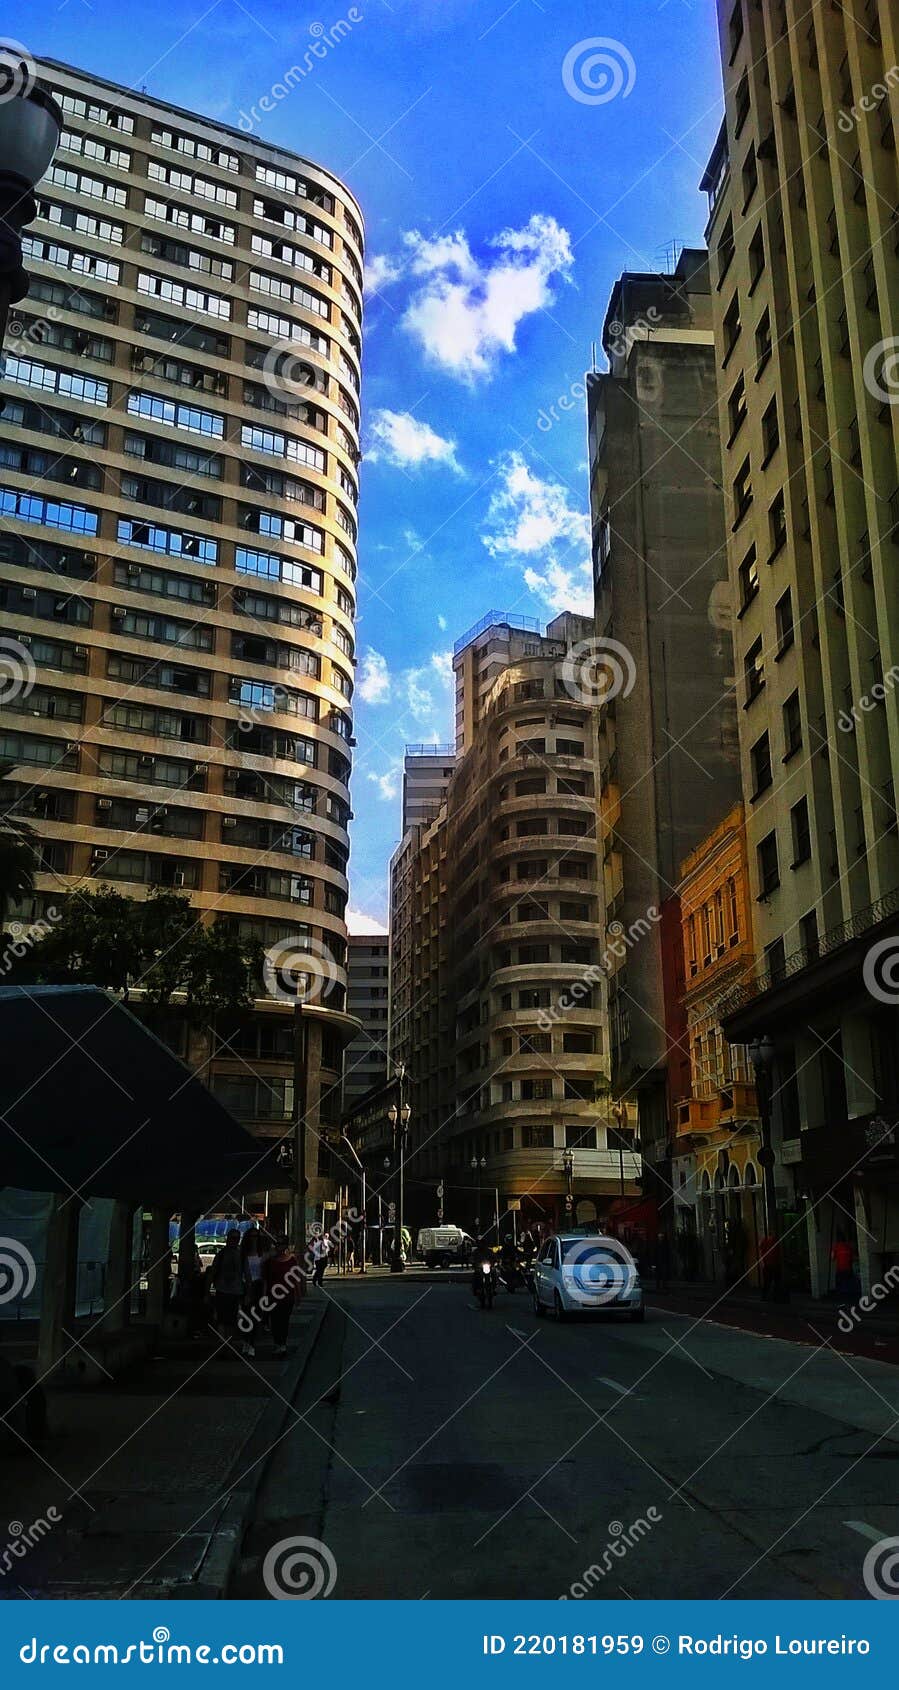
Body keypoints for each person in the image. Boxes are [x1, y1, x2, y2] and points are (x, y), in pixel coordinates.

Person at [263, 1235, 304, 1355]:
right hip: (273, 1296)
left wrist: (298, 1296)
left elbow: (295, 1279)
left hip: (287, 1297)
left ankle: (282, 1344)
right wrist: (264, 1296)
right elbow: (266, 1280)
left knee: (284, 1321)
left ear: (285, 1246)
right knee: (274, 1321)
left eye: (281, 1244)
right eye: (277, 1244)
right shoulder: (270, 1262)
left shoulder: (292, 1260)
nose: (278, 1246)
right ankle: (277, 1343)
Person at [211, 1229, 246, 1344]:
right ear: (228, 1239)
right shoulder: (221, 1255)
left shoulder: (241, 1256)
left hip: (235, 1292)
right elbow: (212, 1273)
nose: (234, 1241)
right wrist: (207, 1292)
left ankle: (228, 1345)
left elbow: (247, 1275)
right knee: (221, 1320)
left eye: (236, 1239)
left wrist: (248, 1292)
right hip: (222, 1291)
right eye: (232, 1238)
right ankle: (223, 1345)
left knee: (231, 1321)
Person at [239, 1226, 270, 1356]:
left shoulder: (262, 1254)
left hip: (257, 1285)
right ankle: (246, 1342)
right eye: (252, 1236)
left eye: (256, 1236)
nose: (254, 1239)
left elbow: (265, 1275)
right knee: (245, 1316)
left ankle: (251, 1344)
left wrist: (264, 1292)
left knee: (255, 1316)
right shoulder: (242, 1254)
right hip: (245, 1285)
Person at [758, 1231, 782, 1300]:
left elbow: (761, 1251)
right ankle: (775, 1296)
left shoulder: (764, 1241)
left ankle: (765, 1296)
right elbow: (777, 1253)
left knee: (767, 1282)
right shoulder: (774, 1241)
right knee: (776, 1281)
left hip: (767, 1264)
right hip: (773, 1264)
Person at [831, 1234, 855, 1299]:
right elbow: (852, 1259)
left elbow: (832, 1258)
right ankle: (849, 1295)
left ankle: (841, 1296)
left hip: (840, 1268)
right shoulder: (849, 1247)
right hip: (848, 1268)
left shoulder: (836, 1247)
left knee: (839, 1283)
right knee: (848, 1283)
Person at [654, 1228, 671, 1293]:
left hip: (663, 1261)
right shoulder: (657, 1244)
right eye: (659, 1236)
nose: (660, 1237)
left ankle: (663, 1285)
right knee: (658, 1275)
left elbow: (667, 1253)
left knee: (664, 1274)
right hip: (658, 1261)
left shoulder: (665, 1244)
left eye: (661, 1236)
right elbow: (654, 1253)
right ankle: (658, 1286)